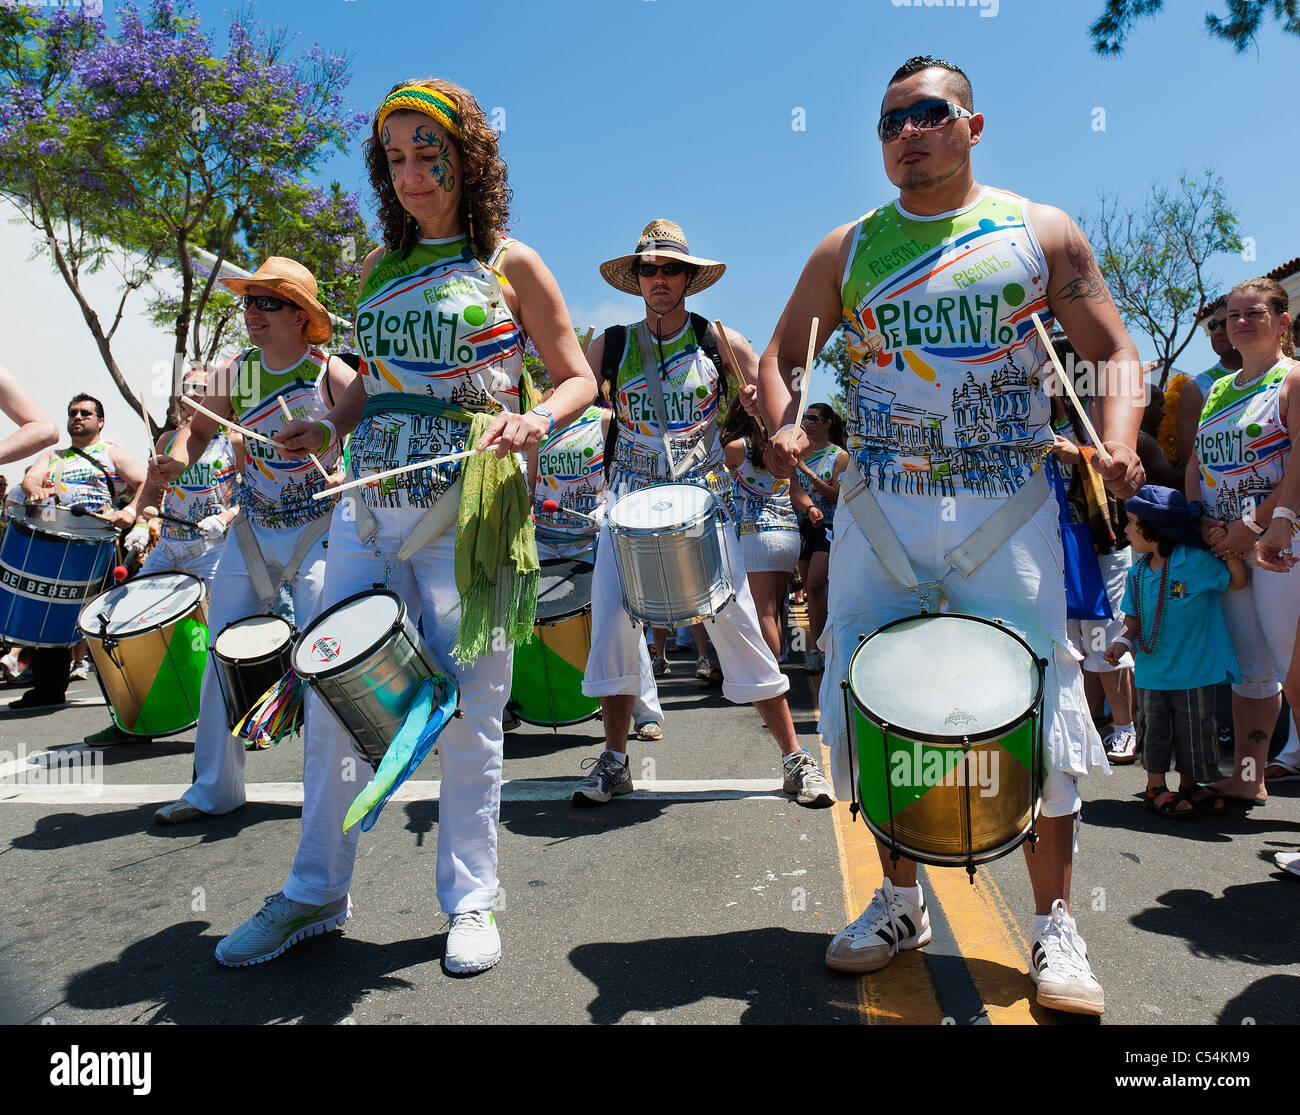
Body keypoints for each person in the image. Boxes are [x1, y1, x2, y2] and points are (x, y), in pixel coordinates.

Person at [759, 55, 1146, 1015]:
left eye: (928, 114)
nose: (907, 133)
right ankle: (898, 901)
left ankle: (1054, 922)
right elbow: (782, 352)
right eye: (890, 122)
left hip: (1004, 508)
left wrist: (1123, 441)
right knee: (877, 700)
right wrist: (789, 422)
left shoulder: (1038, 232)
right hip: (877, 511)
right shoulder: (846, 249)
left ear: (972, 125)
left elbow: (1113, 352)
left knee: (1036, 697)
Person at [217, 78, 596, 975]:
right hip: (369, 515)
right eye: (396, 159)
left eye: (431, 154)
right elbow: (371, 387)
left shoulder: (511, 263)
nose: (415, 174)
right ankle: (315, 891)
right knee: (336, 697)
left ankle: (471, 899)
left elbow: (577, 376)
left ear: (470, 158)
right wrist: (329, 422)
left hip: (473, 515)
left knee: (468, 716)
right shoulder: (380, 271)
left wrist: (535, 419)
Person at [574, 218, 834, 812]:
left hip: (703, 502)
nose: (659, 278)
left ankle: (796, 760)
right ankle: (614, 761)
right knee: (614, 626)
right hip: (628, 503)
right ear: (636, 279)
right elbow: (568, 399)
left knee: (738, 622)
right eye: (649, 269)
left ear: (689, 278)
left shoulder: (722, 344)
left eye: (670, 269)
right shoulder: (610, 346)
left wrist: (765, 421)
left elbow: (775, 452)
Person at [131, 256, 354, 822]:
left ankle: (328, 794)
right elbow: (199, 432)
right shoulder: (236, 372)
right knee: (220, 656)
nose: (252, 312)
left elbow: (372, 418)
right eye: (249, 301)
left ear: (301, 315)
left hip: (319, 531)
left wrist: (343, 462)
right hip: (251, 532)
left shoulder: (330, 373)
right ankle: (213, 788)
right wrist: (172, 463)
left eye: (267, 302)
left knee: (323, 656)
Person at [84, 366, 242, 746]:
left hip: (212, 551)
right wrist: (138, 522)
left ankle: (237, 717)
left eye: (201, 389)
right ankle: (133, 718)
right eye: (186, 389)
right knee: (124, 626)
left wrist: (225, 516)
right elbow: (151, 493)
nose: (192, 396)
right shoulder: (169, 438)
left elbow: (250, 496)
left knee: (221, 634)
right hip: (168, 546)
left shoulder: (235, 441)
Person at [1187, 277, 1300, 802]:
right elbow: (1196, 464)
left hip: (1281, 543)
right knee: (1251, 671)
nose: (1240, 323)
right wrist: (1203, 523)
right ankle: (1249, 778)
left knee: (1294, 671)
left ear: (1282, 322)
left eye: (1253, 313)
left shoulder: (1293, 380)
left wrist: (1255, 524)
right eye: (1231, 316)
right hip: (1228, 548)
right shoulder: (1216, 389)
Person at [1103, 486, 1243, 818]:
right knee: (1155, 732)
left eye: (1132, 523)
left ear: (1156, 529)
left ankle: (1190, 785)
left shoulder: (1194, 562)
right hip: (1152, 675)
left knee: (1196, 730)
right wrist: (1121, 642)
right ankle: (1155, 786)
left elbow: (1236, 582)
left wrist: (1232, 552)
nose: (1125, 529)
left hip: (1196, 672)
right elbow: (1132, 620)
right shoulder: (1137, 573)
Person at [530, 394, 663, 740]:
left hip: (593, 538)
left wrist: (608, 507)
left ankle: (645, 711)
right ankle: (509, 705)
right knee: (516, 619)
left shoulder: (604, 421)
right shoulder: (536, 419)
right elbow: (528, 480)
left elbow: (623, 471)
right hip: (542, 539)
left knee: (622, 623)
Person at [13, 394, 145, 710]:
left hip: (98, 545)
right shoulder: (53, 455)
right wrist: (35, 488)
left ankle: (124, 691)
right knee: (51, 615)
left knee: (102, 617)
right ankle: (48, 688)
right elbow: (30, 476)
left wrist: (128, 512)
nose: (78, 417)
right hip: (58, 545)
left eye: (86, 412)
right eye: (73, 412)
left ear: (100, 421)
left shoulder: (112, 453)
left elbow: (144, 482)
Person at [1048, 333, 1138, 763]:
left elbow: (1116, 460)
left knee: (1104, 636)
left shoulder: (1098, 413)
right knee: (1068, 639)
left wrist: (1079, 454)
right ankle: (1084, 723)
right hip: (1054, 542)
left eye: (1057, 366)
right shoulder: (1033, 417)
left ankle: (1125, 728)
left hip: (1100, 540)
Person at [720, 395, 799, 660]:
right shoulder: (785, 450)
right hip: (789, 533)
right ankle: (775, 674)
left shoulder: (735, 448)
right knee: (774, 610)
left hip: (758, 536)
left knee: (762, 613)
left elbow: (715, 480)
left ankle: (771, 681)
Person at [790, 403, 848, 673]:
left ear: (827, 423)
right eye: (805, 418)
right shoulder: (797, 452)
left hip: (828, 526)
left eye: (814, 418)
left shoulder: (839, 456)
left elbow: (835, 495)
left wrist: (807, 471)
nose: (808, 423)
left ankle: (820, 647)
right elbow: (792, 490)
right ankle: (816, 648)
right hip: (802, 525)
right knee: (812, 590)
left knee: (815, 584)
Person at [1176, 297, 1241, 475]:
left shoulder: (1282, 374)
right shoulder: (1198, 386)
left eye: (1225, 323)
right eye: (1213, 325)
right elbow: (1191, 463)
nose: (1218, 331)